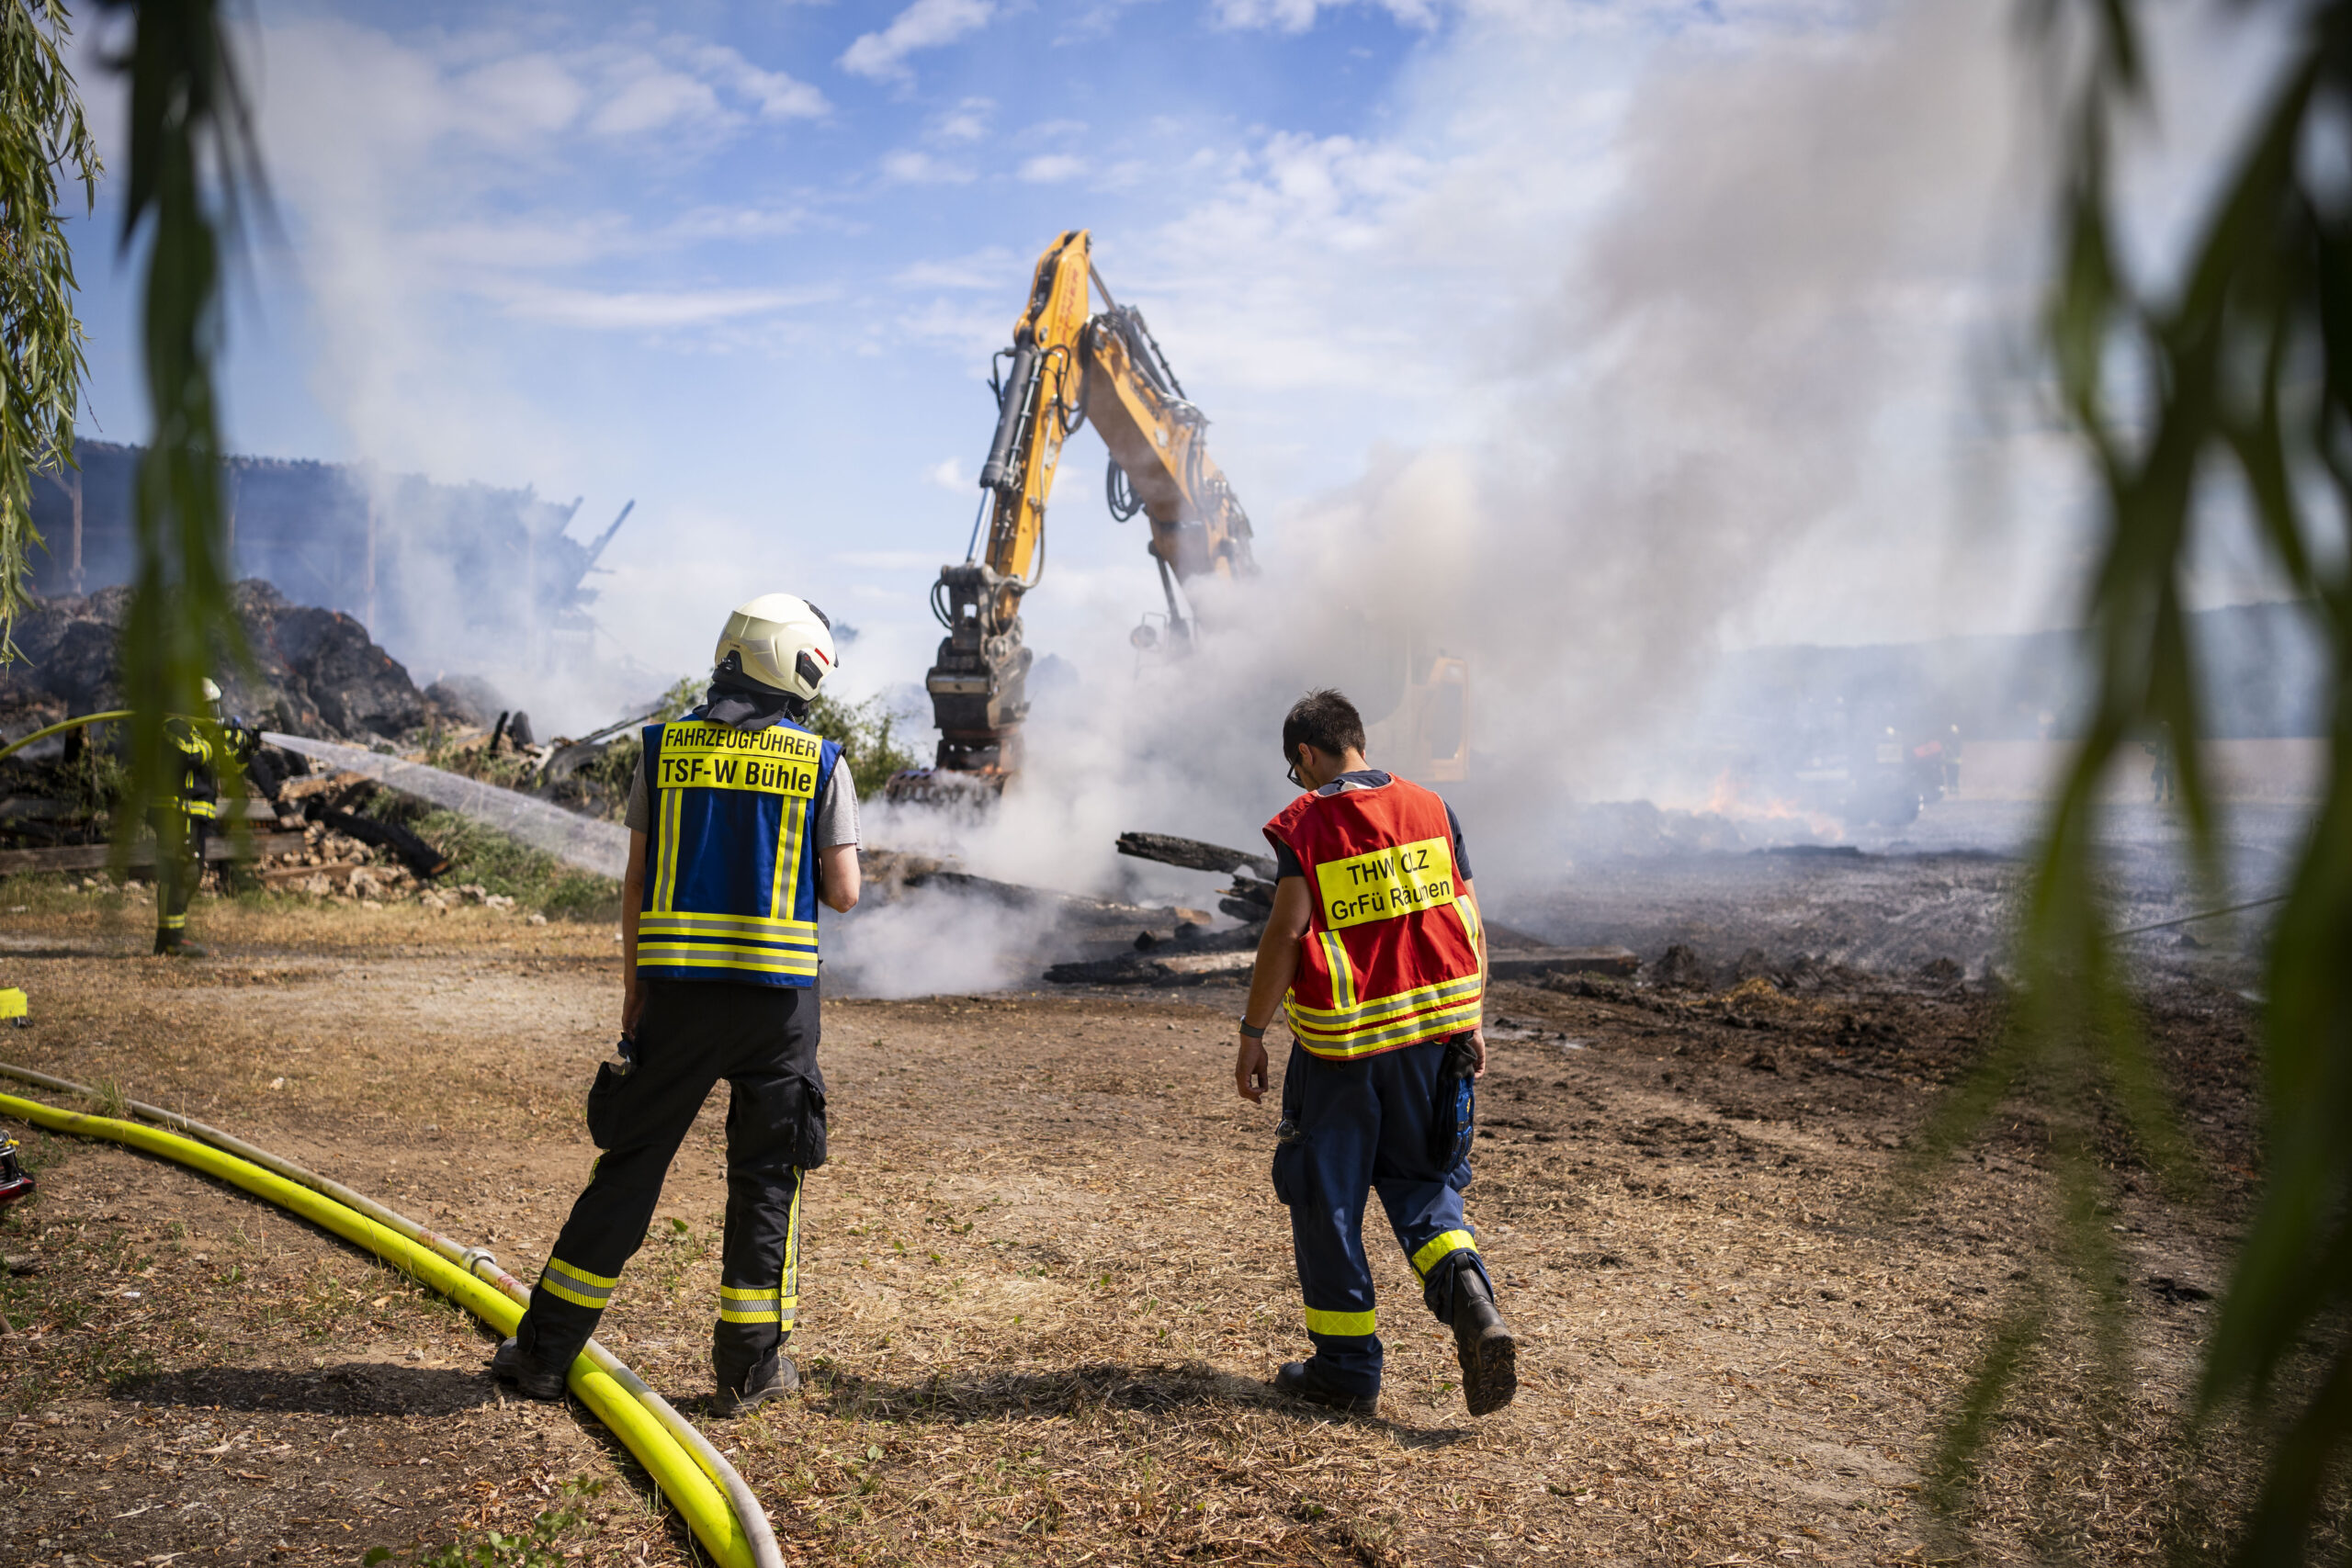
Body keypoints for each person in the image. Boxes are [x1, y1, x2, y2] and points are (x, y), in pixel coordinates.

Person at [492, 593, 862, 1414]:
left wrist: (634, 996)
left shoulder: (661, 750)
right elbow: (842, 892)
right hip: (777, 1014)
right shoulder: (821, 761)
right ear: (801, 667)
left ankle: (545, 1354)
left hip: (676, 1000)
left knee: (630, 1168)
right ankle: (749, 1368)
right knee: (766, 1180)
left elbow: (635, 878)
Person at [1235, 689, 1516, 1418]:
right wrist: (1473, 1018)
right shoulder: (1431, 808)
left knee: (1326, 1200)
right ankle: (1474, 1301)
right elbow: (1467, 915)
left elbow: (1289, 932)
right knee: (1425, 1188)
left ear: (1305, 754)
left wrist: (1252, 1030)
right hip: (1435, 1042)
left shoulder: (1308, 821)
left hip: (1345, 1050)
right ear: (1357, 740)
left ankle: (1345, 1369)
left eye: (1294, 767)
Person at [153, 678, 257, 958]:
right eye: (210, 706)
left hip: (196, 815)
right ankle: (172, 940)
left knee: (191, 873)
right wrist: (217, 740)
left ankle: (169, 938)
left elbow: (230, 767)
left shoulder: (203, 733)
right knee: (182, 872)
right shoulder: (173, 726)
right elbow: (189, 754)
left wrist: (246, 746)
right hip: (178, 813)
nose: (215, 712)